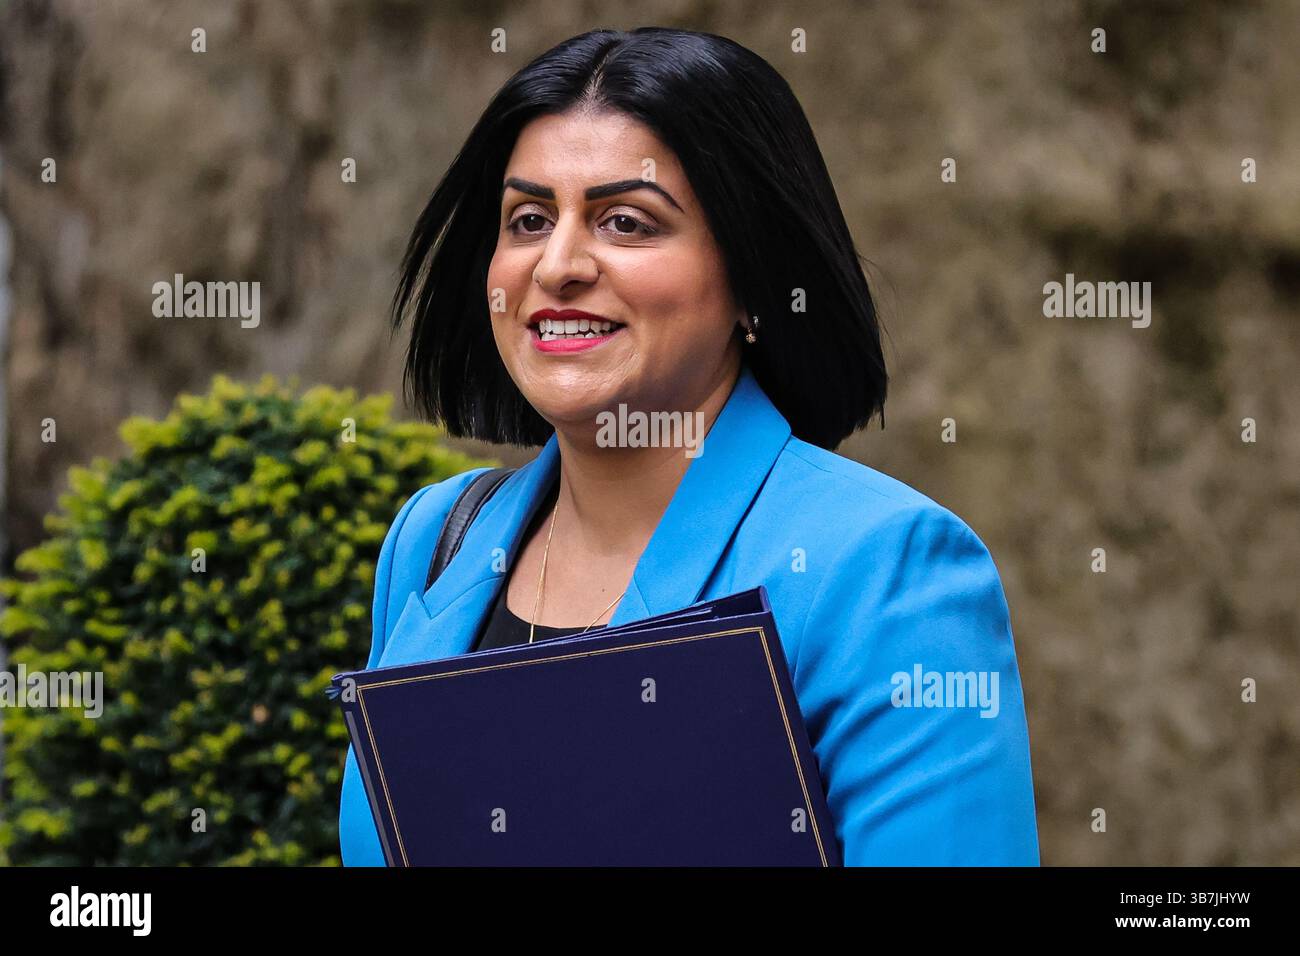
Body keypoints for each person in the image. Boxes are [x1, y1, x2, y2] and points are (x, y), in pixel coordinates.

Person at [339, 26, 1039, 866]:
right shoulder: (433, 542)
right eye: (528, 219)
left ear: (751, 279)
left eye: (627, 223)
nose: (557, 264)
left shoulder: (884, 568)